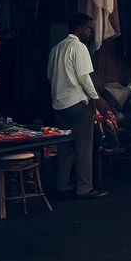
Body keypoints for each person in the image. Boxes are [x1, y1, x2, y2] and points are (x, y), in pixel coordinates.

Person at [47, 13, 108, 199]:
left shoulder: (56, 49)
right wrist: (97, 99)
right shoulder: (79, 48)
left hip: (58, 105)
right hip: (77, 104)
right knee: (83, 145)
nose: (90, 32)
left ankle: (62, 185)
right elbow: (84, 78)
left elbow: (50, 76)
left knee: (65, 146)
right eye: (88, 28)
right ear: (79, 28)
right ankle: (84, 187)